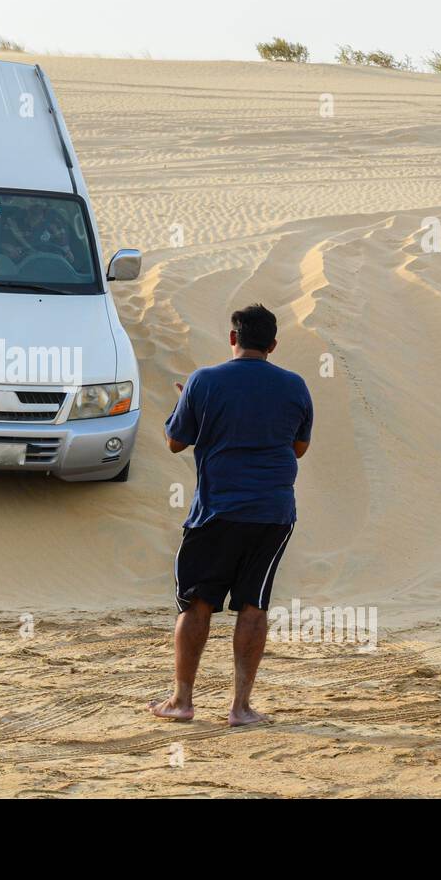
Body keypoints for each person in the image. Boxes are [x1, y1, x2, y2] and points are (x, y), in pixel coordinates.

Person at [151, 304, 313, 726]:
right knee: (253, 605)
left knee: (197, 604)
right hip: (272, 513)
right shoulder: (295, 386)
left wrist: (187, 398)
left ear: (232, 338)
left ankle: (182, 701)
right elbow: (298, 448)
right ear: (273, 345)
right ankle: (240, 707)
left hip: (216, 512)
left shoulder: (204, 381)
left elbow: (174, 441)